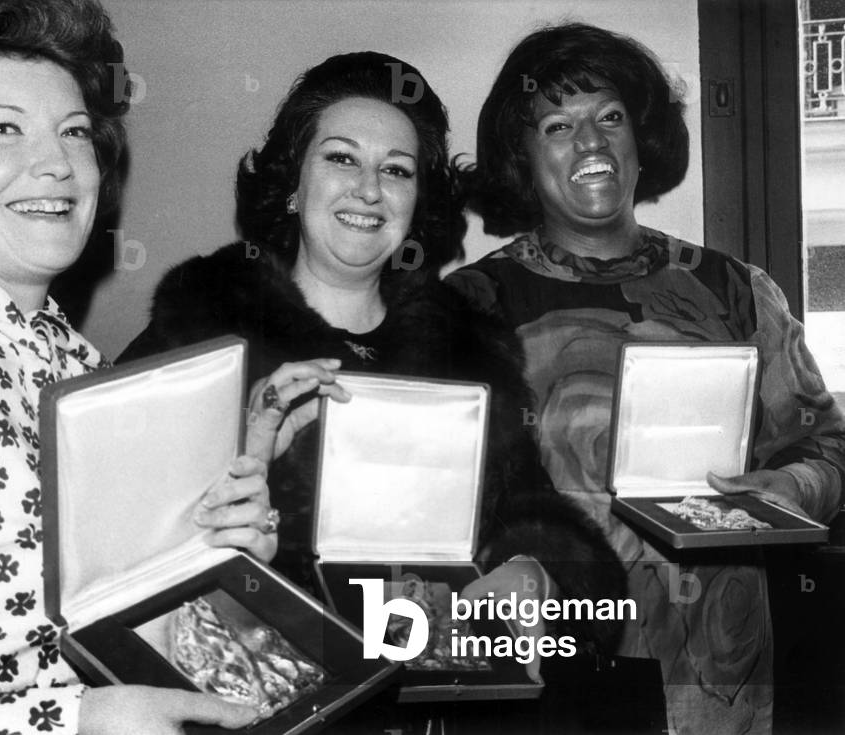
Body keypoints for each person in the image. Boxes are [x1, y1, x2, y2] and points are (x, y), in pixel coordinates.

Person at [0, 2, 338, 733]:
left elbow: (128, 626)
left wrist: (229, 558)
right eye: (3, 128)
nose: (57, 163)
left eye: (74, 133)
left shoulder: (88, 369)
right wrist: (70, 721)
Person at [120, 51, 627, 672]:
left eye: (397, 170)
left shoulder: (469, 346)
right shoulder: (203, 328)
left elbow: (542, 520)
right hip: (273, 697)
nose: (368, 189)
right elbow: (122, 546)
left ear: (418, 202)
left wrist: (540, 580)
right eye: (340, 158)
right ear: (290, 183)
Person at [448, 22, 845, 735]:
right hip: (554, 668)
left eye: (609, 117)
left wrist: (785, 489)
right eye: (557, 125)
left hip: (720, 667)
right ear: (522, 154)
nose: (591, 143)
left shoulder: (735, 289)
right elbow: (435, 505)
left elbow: (826, 447)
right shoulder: (470, 304)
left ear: (641, 138)